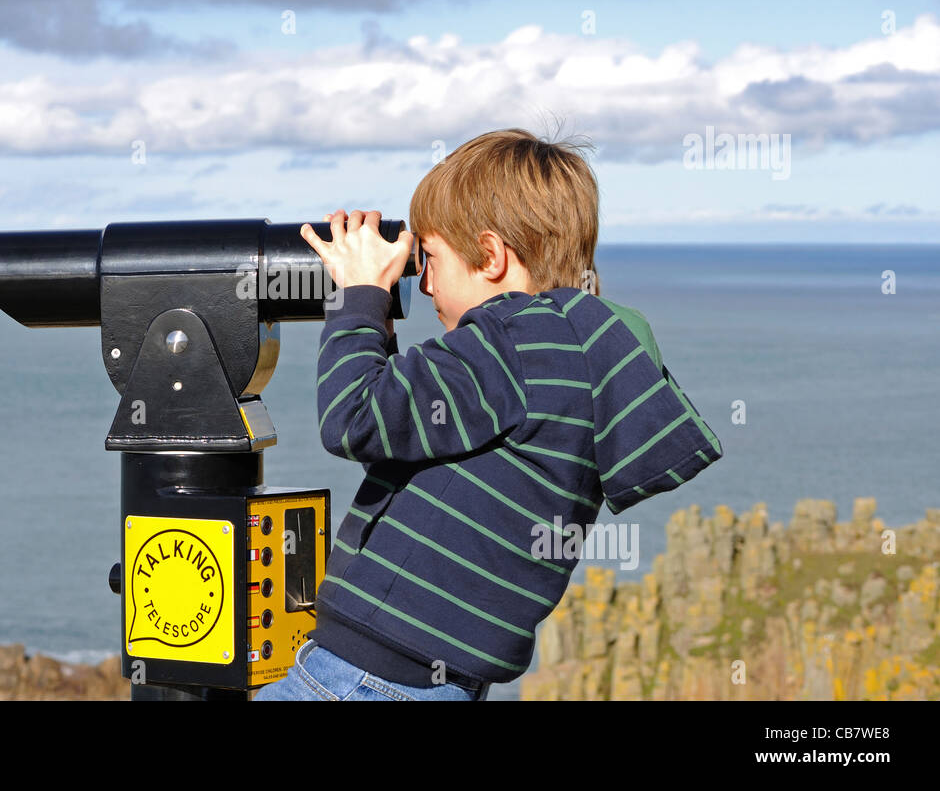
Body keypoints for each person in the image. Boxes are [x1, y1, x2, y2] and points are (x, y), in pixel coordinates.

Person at [253, 128, 723, 701]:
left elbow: (354, 419)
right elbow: (418, 427)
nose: (422, 284)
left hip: (364, 680)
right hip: (441, 684)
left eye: (430, 258)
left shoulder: (512, 340)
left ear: (493, 255)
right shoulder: (572, 353)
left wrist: (359, 295)